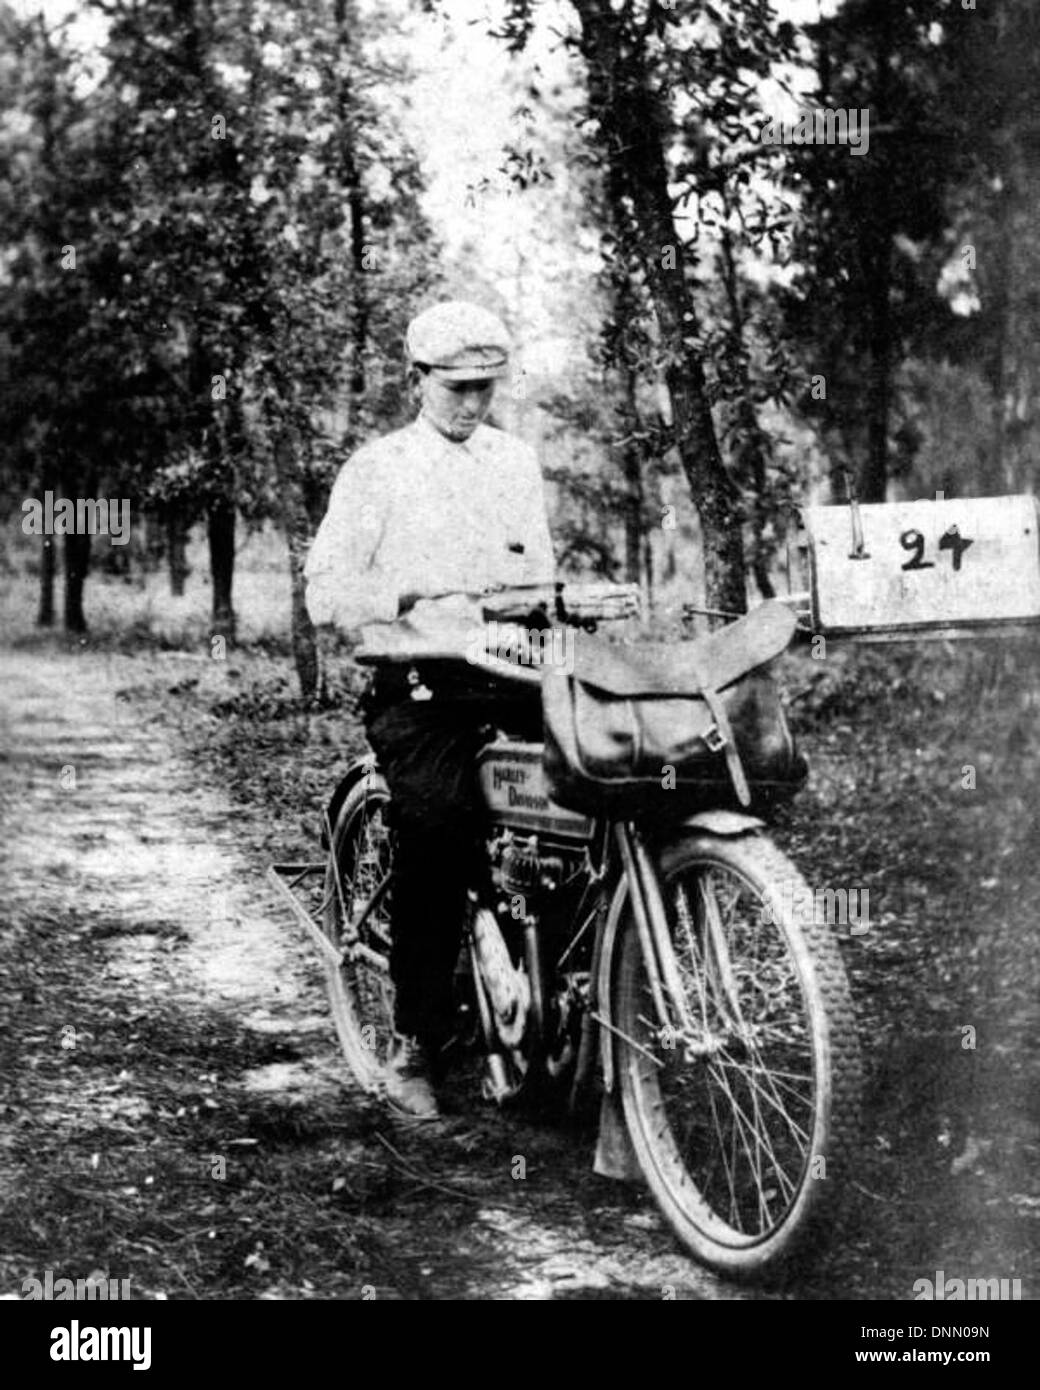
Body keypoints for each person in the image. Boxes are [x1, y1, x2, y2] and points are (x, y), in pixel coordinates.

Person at [304, 300, 555, 1118]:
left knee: (590, 788)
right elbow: (324, 594)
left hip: (507, 672)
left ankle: (555, 993)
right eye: (457, 388)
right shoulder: (377, 469)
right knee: (439, 824)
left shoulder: (514, 463)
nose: (474, 404)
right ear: (417, 380)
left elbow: (537, 576)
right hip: (417, 684)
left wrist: (544, 605)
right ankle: (416, 1038)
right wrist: (405, 587)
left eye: (486, 387)